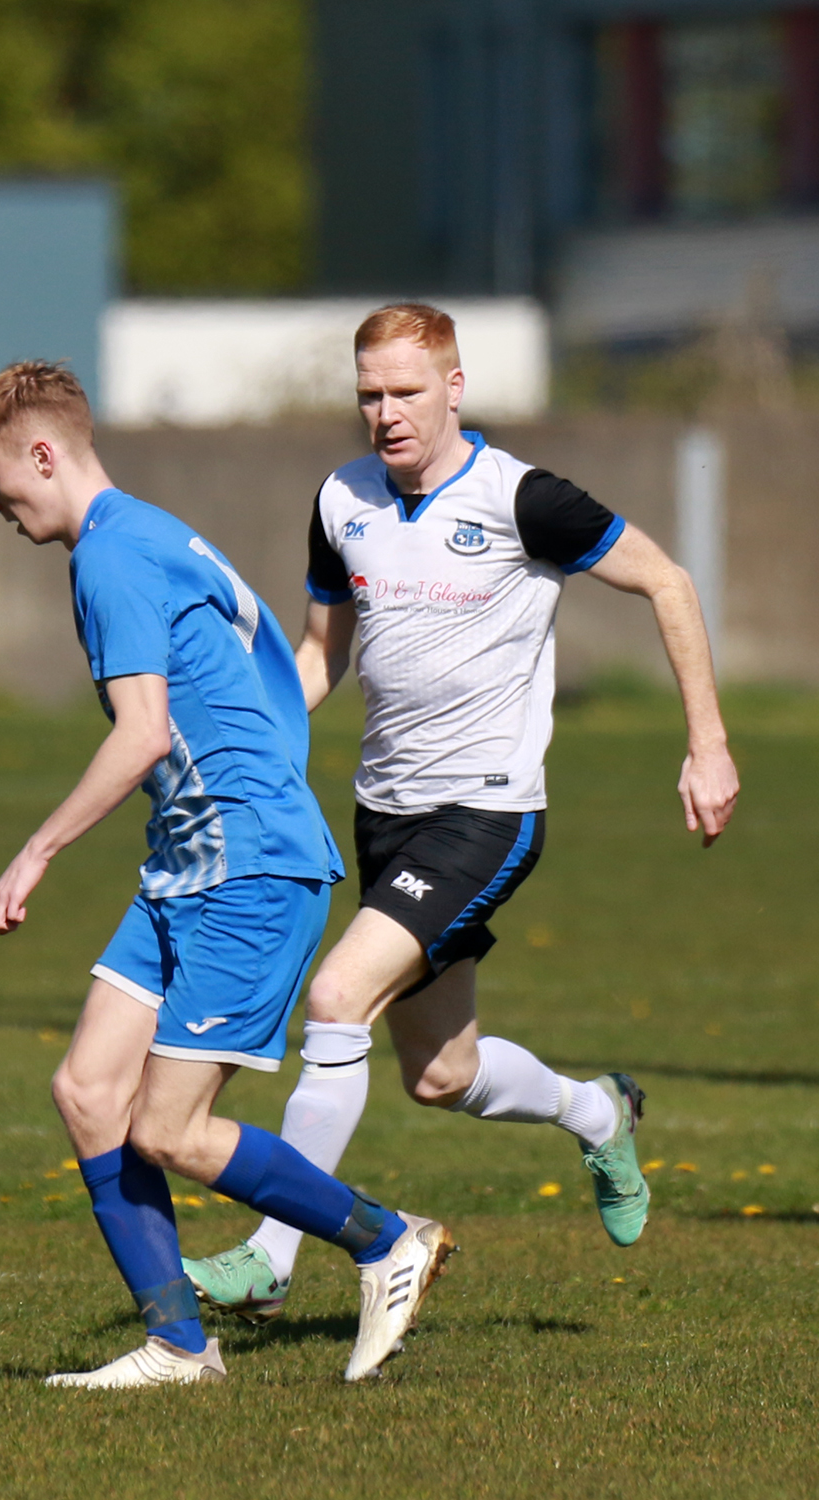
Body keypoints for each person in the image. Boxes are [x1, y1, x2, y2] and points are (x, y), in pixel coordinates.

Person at [186, 303, 740, 1324]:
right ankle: (597, 1112)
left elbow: (668, 579)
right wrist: (241, 732)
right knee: (440, 1074)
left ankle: (273, 1253)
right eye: (369, 394)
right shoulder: (340, 498)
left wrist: (707, 743)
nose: (385, 414)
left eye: (405, 392)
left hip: (485, 813)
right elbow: (323, 654)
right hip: (384, 814)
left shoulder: (521, 498)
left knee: (337, 998)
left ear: (453, 387)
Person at [0, 358, 457, 1388]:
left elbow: (141, 736)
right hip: (191, 864)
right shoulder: (150, 530)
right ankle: (180, 1347)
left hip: (249, 870)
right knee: (89, 1091)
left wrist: (37, 849)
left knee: (167, 1129)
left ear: (43, 454)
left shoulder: (111, 560)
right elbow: (266, 668)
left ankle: (384, 1238)